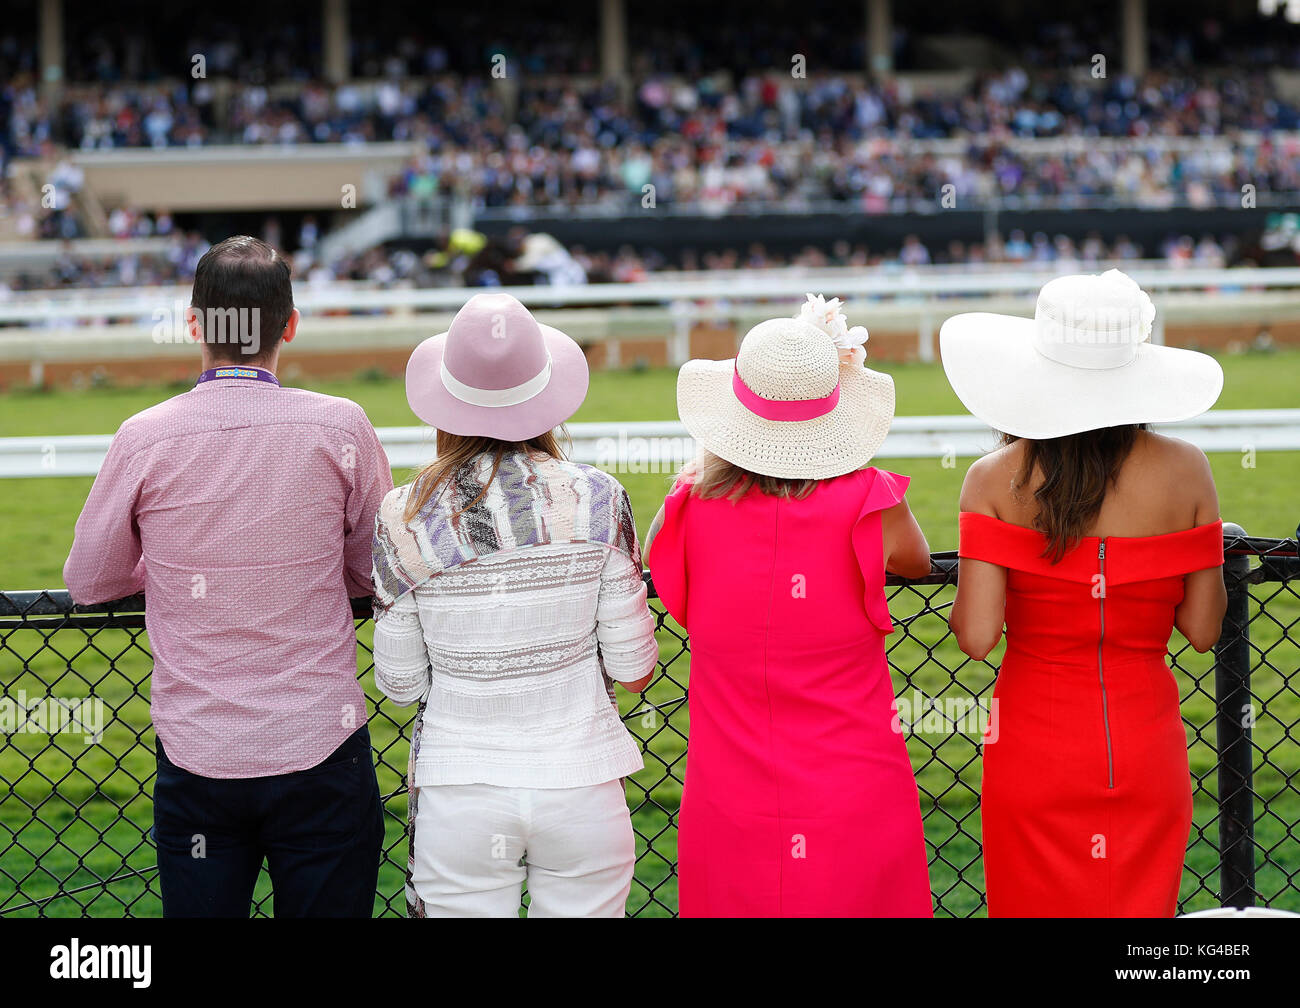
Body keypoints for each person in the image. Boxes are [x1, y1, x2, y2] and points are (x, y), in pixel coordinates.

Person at [63, 236, 393, 917]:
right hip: (320, 746)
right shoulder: (341, 425)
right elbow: (371, 573)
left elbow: (90, 580)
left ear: (194, 324)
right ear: (291, 325)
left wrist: (175, 560)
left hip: (199, 753)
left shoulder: (144, 434)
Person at [941, 269, 1228, 917]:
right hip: (1145, 742)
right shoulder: (1188, 469)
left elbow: (978, 638)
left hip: (1032, 748)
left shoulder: (992, 479)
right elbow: (1205, 628)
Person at [645, 294, 934, 918]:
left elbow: (667, 577)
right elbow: (915, 561)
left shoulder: (690, 504)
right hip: (855, 774)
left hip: (729, 784)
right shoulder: (873, 498)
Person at [370, 292, 657, 918]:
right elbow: (635, 667)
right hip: (582, 784)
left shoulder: (405, 513)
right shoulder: (598, 500)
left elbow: (397, 684)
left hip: (460, 789)